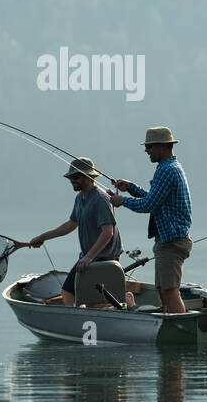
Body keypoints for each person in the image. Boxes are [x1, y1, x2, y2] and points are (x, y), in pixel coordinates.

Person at [111, 127, 192, 314]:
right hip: (167, 240)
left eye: (149, 146)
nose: (146, 150)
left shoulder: (166, 170)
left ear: (162, 147)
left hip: (172, 241)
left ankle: (182, 329)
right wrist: (131, 188)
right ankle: (172, 329)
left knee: (170, 292)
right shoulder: (170, 168)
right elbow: (155, 199)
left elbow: (148, 205)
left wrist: (122, 201)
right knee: (163, 291)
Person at [30, 158, 129, 307]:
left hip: (103, 259)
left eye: (76, 177)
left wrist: (88, 257)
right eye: (70, 177)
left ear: (89, 177)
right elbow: (71, 224)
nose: (72, 180)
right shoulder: (80, 198)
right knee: (78, 296)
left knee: (81, 297)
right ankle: (125, 302)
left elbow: (108, 232)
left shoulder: (100, 199)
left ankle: (126, 301)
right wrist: (43, 237)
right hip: (90, 259)